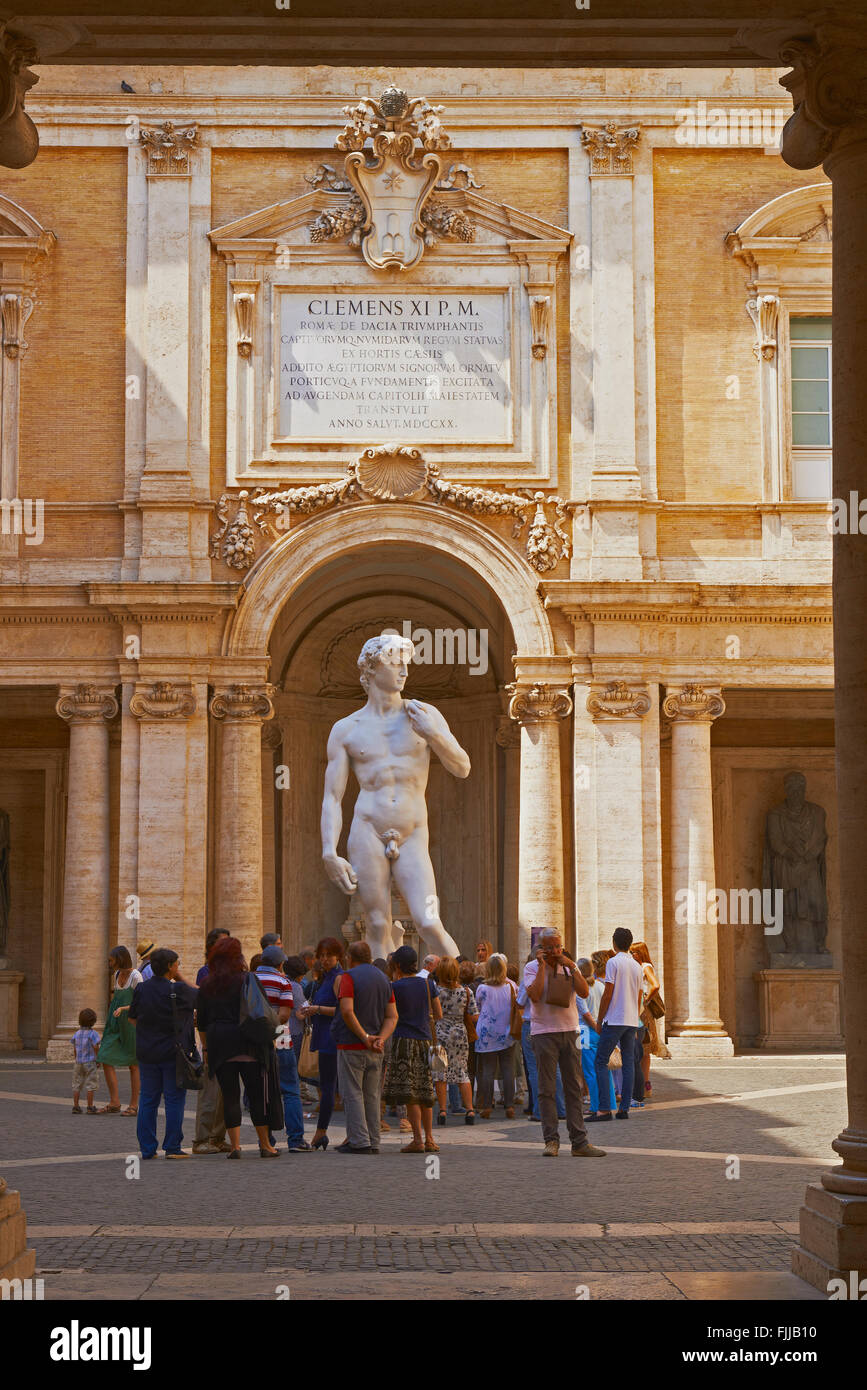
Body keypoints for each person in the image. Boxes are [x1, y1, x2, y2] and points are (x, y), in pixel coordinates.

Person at [320, 633, 470, 959]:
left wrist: (433, 734)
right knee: (375, 924)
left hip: (413, 832)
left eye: (406, 663)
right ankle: (386, 1000)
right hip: (367, 829)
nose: (404, 670)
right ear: (371, 669)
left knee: (429, 921)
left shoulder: (424, 715)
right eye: (395, 662)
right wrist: (329, 851)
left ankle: (462, 990)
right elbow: (332, 797)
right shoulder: (347, 729)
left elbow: (462, 767)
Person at [196, 935, 282, 1159]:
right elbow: (261, 1011)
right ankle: (265, 1144)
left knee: (230, 1096)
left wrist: (206, 1049)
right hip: (248, 1042)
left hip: (220, 1044)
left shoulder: (206, 984)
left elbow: (202, 1022)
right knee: (256, 1096)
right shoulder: (247, 979)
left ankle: (235, 1146)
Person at [523, 929, 606, 1159]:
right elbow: (535, 995)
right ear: (541, 948)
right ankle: (551, 1141)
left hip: (570, 1032)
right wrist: (542, 966)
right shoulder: (531, 968)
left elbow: (583, 990)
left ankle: (580, 1142)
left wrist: (571, 965)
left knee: (574, 1087)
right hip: (543, 1033)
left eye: (557, 946)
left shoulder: (569, 965)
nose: (554, 951)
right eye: (549, 947)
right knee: (547, 1089)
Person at [128, 947, 198, 1160]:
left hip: (147, 1051)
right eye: (177, 964)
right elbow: (201, 994)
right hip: (173, 1052)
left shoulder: (142, 988)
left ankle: (148, 1149)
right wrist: (179, 977)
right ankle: (172, 1146)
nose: (179, 967)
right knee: (174, 1099)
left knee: (148, 1099)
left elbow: (132, 1018)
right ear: (170, 967)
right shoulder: (179, 989)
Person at [334, 940, 397, 1153]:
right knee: (372, 1094)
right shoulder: (384, 979)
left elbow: (347, 1010)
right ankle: (373, 1139)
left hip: (352, 1043)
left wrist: (364, 1036)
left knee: (352, 1092)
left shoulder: (349, 977)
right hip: (377, 1047)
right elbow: (392, 1015)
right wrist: (380, 1037)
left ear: (349, 958)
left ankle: (359, 1141)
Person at [383, 944, 442, 1153]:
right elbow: (438, 1013)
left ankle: (417, 1139)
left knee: (410, 1094)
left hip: (403, 1042)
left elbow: (388, 1015)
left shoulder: (395, 987)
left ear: (397, 965)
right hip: (424, 1041)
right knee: (426, 1092)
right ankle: (430, 1139)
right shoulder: (428, 984)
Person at [256, 946, 310, 1152]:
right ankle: (295, 1139)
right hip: (281, 1038)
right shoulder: (283, 982)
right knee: (290, 1089)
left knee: (263, 1090)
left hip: (255, 1041)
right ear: (280, 964)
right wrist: (273, 1031)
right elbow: (285, 1015)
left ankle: (266, 1139)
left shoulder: (249, 979)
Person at [594, 928, 646, 1121]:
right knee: (628, 1063)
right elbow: (640, 995)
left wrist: (600, 1019)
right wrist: (635, 1016)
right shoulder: (637, 966)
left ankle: (604, 1109)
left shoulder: (613, 962)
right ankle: (624, 1109)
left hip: (614, 1018)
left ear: (614, 942)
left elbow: (608, 993)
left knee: (600, 1061)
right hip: (631, 1020)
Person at [300, 936, 345, 1151]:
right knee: (328, 1087)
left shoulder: (338, 978)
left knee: (331, 1088)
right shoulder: (325, 978)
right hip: (324, 1036)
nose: (325, 959)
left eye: (329, 955)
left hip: (333, 1038)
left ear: (339, 956)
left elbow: (343, 1010)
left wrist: (317, 1009)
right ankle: (322, 1133)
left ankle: (321, 1133)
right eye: (323, 955)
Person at [192, 927, 232, 1154]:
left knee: (226, 1091)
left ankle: (218, 1136)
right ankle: (201, 1139)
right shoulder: (204, 973)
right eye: (222, 943)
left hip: (228, 1040)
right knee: (209, 1092)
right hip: (211, 1040)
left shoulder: (232, 973)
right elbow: (201, 1014)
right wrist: (204, 1045)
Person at [518, 953, 567, 1122]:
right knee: (556, 1069)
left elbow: (522, 999)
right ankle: (561, 1108)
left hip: (533, 1023)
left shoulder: (531, 970)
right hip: (553, 1023)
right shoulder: (558, 969)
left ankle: (539, 1111)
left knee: (534, 1069)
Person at [95, 946, 142, 1115]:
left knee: (133, 1064)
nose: (109, 963)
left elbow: (141, 1003)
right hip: (115, 1022)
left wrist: (124, 1008)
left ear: (120, 959)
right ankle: (114, 1102)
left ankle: (134, 1105)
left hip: (130, 1023)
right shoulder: (116, 975)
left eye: (111, 960)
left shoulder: (136, 976)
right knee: (105, 1056)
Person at [433, 955, 477, 1125]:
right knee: (462, 1072)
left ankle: (443, 1111)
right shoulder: (466, 991)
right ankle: (470, 1110)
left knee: (440, 1073)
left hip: (439, 1033)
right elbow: (474, 1016)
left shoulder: (435, 991)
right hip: (459, 1034)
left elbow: (433, 1014)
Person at [474, 953, 517, 1119]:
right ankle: (509, 1105)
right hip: (506, 1031)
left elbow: (478, 1006)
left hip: (487, 1033)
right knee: (508, 1069)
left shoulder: (482, 989)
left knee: (488, 1070)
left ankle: (486, 1106)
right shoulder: (511, 987)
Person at [576, 958, 616, 1119]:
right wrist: (601, 1027)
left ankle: (595, 1105)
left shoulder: (580, 989)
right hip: (602, 1030)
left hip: (586, 1031)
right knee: (603, 1068)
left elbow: (585, 1014)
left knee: (589, 1070)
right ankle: (609, 1103)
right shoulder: (600, 985)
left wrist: (595, 1026)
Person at [630, 940, 669, 1095]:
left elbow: (655, 985)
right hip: (638, 1008)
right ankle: (643, 1084)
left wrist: (646, 999)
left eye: (634, 952)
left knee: (644, 1047)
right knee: (640, 1047)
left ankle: (646, 1084)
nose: (631, 954)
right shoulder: (637, 967)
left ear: (640, 953)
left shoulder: (645, 967)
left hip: (643, 1011)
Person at [71, 1008, 100, 1114]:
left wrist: (76, 1058)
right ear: (93, 1021)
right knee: (91, 1084)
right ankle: (90, 1106)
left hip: (78, 1062)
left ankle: (76, 1106)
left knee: (77, 1084)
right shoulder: (93, 1034)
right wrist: (98, 1058)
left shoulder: (77, 1033)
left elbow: (74, 1048)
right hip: (90, 1062)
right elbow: (95, 1046)